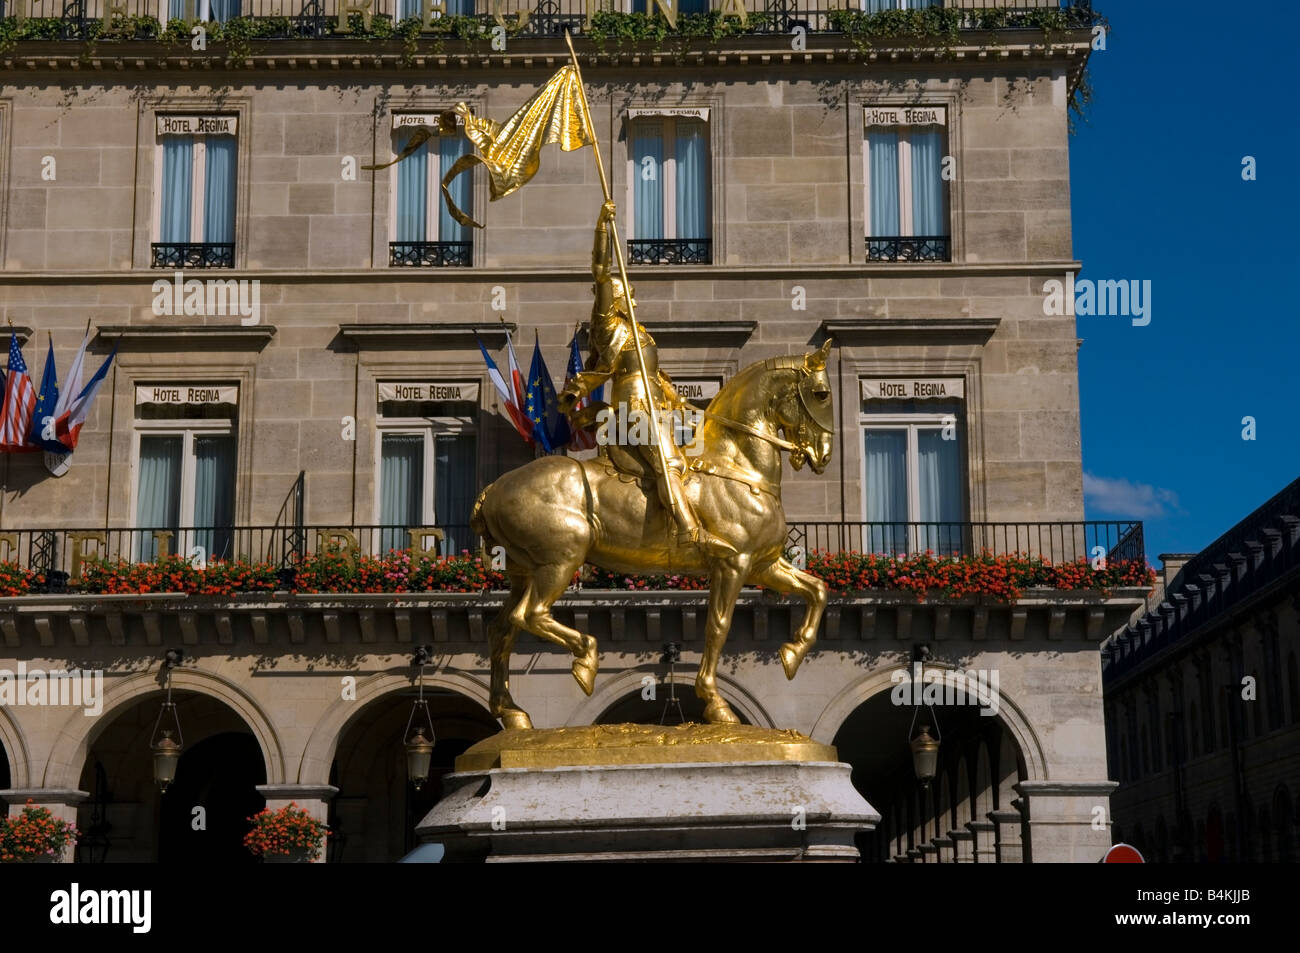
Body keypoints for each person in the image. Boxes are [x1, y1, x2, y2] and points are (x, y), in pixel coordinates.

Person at [559, 200, 736, 559]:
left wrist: (685, 406)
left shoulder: (640, 333)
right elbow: (600, 270)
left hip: (656, 402)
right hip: (633, 405)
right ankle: (689, 531)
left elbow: (661, 380)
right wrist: (603, 227)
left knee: (705, 450)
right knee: (667, 461)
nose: (634, 302)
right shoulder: (609, 327)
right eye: (629, 296)